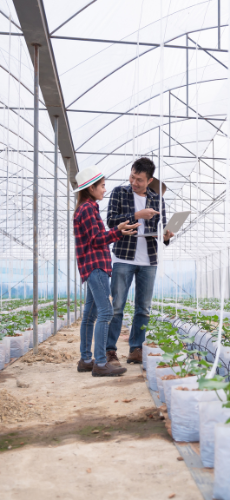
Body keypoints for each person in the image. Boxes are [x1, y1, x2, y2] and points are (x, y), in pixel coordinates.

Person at [106, 157, 174, 365]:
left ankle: (136, 349)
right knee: (117, 306)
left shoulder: (157, 199)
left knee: (143, 308)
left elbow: (161, 228)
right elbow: (111, 220)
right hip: (123, 257)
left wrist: (166, 236)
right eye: (132, 177)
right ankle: (110, 350)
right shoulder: (119, 192)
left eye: (139, 180)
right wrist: (138, 214)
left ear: (149, 180)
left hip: (149, 259)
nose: (134, 182)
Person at [73, 165, 140, 377]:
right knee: (106, 312)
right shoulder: (88, 209)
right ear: (91, 188)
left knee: (90, 314)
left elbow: (95, 238)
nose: (104, 190)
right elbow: (96, 239)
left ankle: (86, 359)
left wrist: (116, 231)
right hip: (96, 266)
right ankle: (101, 363)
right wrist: (118, 231)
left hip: (91, 267)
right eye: (102, 186)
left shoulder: (85, 208)